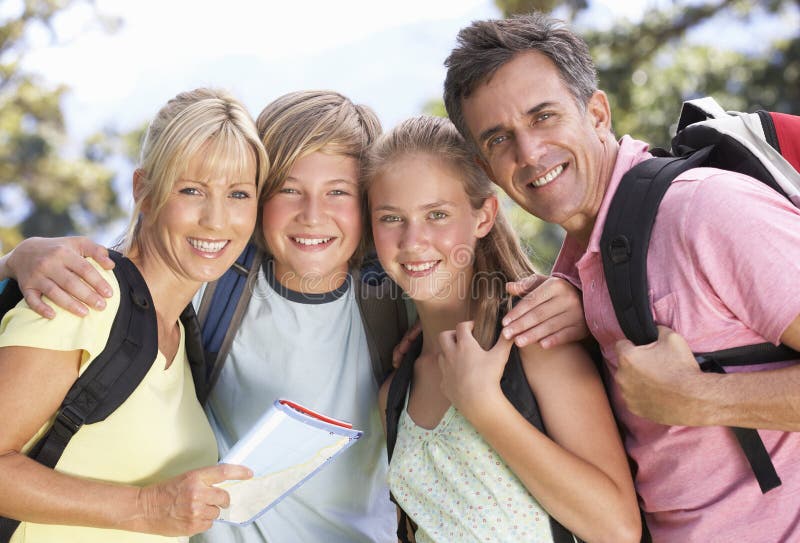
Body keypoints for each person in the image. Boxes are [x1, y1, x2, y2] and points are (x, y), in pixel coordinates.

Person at [0, 90, 589, 543]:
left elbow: (473, 280)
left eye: (339, 193)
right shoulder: (212, 284)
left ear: (369, 208)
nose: (312, 215)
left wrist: (574, 298)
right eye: (287, 189)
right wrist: (17, 259)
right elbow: (138, 258)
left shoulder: (394, 294)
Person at [442, 12, 800, 542]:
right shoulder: (577, 273)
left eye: (544, 116)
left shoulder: (703, 211)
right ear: (484, 166)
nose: (529, 153)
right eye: (498, 139)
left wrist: (702, 396)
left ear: (597, 113)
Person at [0, 87, 267, 542]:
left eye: (239, 193)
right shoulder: (84, 295)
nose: (217, 219)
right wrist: (147, 508)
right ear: (143, 189)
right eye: (191, 190)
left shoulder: (183, 336)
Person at [365, 115, 640, 543]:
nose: (413, 240)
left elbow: (617, 528)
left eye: (437, 214)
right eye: (390, 218)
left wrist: (483, 404)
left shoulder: (535, 338)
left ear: (483, 216)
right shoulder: (395, 393)